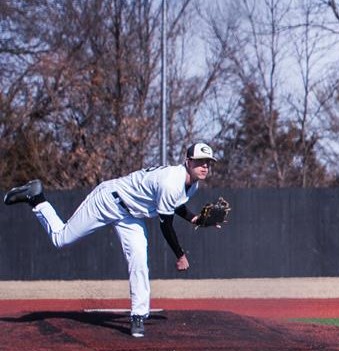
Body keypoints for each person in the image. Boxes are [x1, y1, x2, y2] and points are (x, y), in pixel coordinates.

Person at [5, 143, 223, 338]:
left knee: (139, 258)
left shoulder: (192, 184)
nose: (204, 166)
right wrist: (180, 255)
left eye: (208, 162)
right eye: (199, 161)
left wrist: (195, 218)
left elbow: (175, 204)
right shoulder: (171, 181)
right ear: (188, 161)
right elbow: (165, 224)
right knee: (61, 239)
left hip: (131, 215)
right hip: (108, 201)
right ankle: (37, 199)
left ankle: (138, 316)